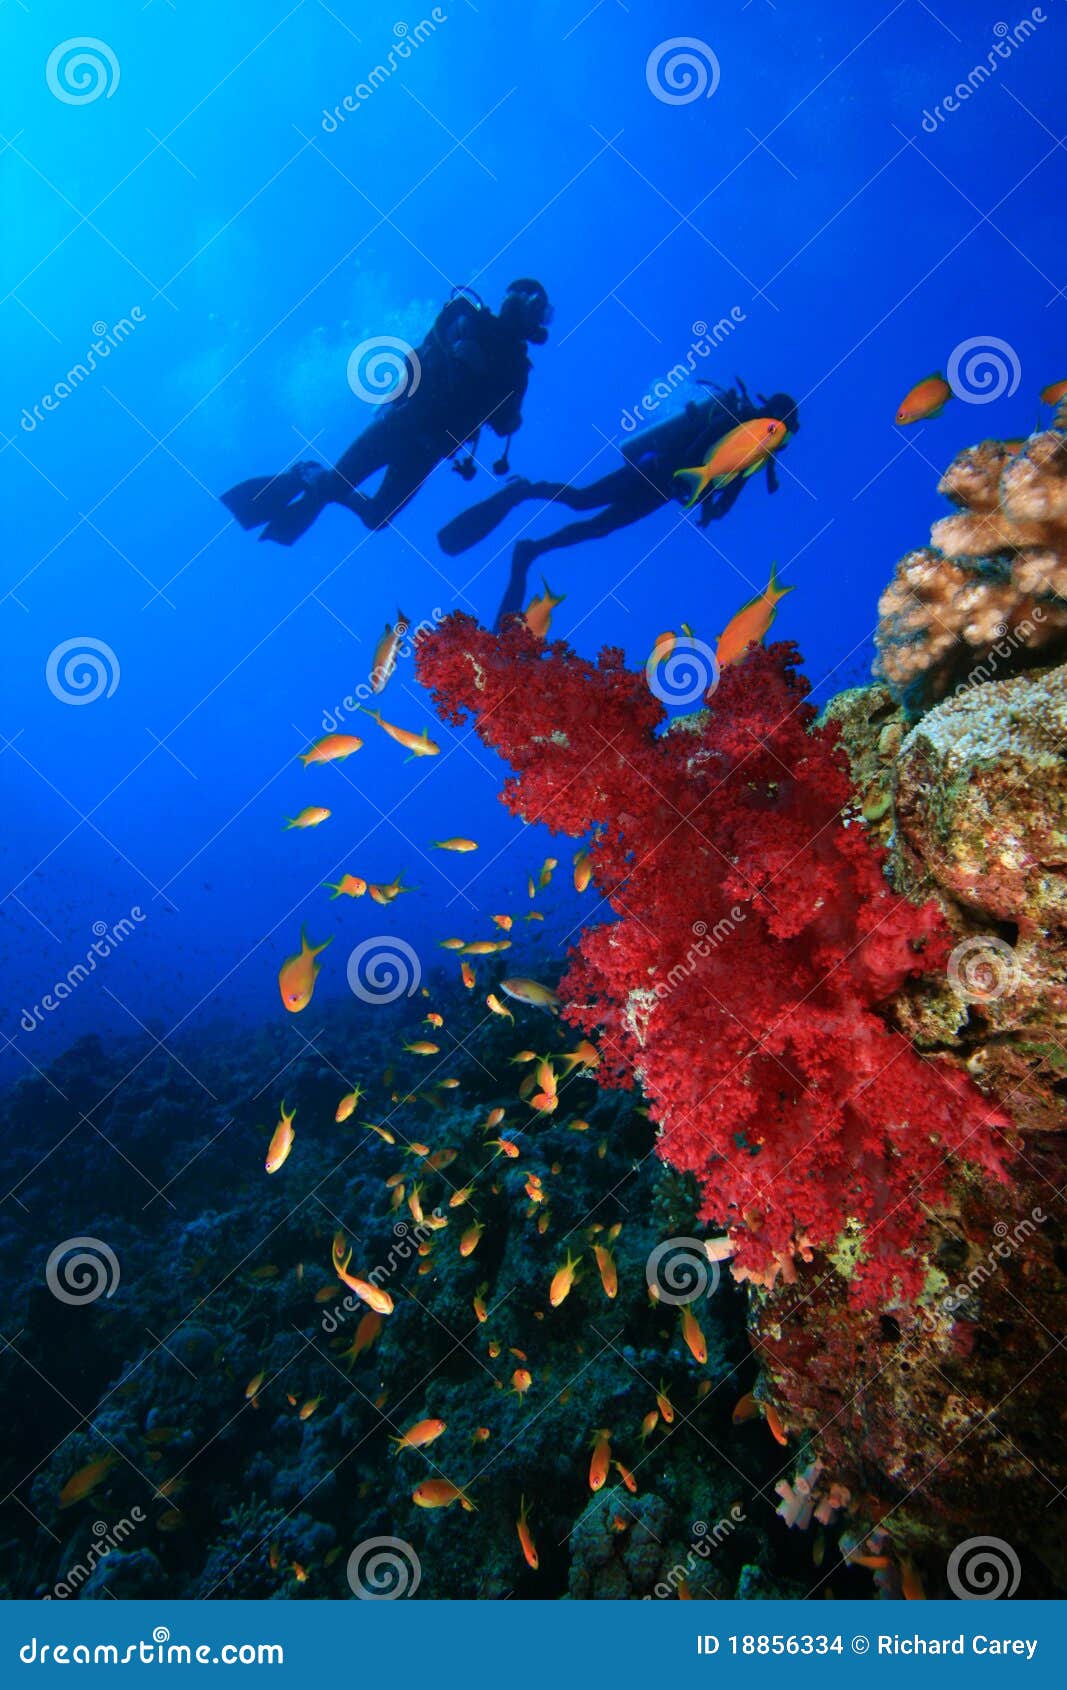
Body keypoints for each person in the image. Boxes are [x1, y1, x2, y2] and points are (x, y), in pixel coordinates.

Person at [437, 380, 799, 625]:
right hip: (653, 471)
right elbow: (703, 445)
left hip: (661, 491)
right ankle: (527, 490)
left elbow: (727, 486)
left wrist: (709, 506)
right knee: (582, 501)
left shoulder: (755, 452)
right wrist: (703, 495)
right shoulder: (741, 421)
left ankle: (532, 549)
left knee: (599, 527)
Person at [220, 280, 553, 546]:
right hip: (404, 421)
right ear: (513, 300)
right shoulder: (469, 317)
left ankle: (316, 477)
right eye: (532, 305)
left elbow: (503, 423)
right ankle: (308, 474)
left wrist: (511, 417)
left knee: (376, 517)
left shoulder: (516, 371)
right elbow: (432, 340)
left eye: (541, 312)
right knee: (333, 487)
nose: (535, 315)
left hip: (430, 449)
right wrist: (458, 351)